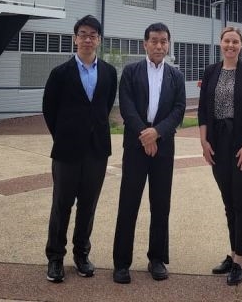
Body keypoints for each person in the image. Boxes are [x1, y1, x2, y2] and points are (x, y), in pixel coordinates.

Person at [42, 15, 118, 283]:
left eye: (93, 35)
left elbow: (105, 105)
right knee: (62, 205)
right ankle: (55, 258)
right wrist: (64, 135)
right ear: (75, 38)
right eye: (83, 34)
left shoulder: (109, 72)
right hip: (67, 151)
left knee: (88, 205)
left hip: (97, 150)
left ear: (98, 40)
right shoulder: (60, 73)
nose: (88, 39)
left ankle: (81, 254)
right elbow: (49, 110)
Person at [112, 22, 186, 284]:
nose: (159, 45)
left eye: (163, 41)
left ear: (168, 44)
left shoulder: (175, 76)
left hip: (163, 149)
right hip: (135, 147)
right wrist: (145, 134)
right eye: (154, 40)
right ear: (145, 44)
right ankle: (121, 263)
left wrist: (157, 133)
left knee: (160, 205)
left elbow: (179, 110)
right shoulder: (131, 72)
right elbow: (126, 106)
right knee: (128, 205)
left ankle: (157, 259)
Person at [198, 26, 242, 286]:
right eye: (227, 41)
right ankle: (234, 251)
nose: (230, 45)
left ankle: (240, 258)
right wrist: (204, 142)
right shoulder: (211, 71)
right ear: (220, 43)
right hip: (218, 144)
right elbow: (204, 110)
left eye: (235, 41)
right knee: (229, 203)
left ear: (241, 45)